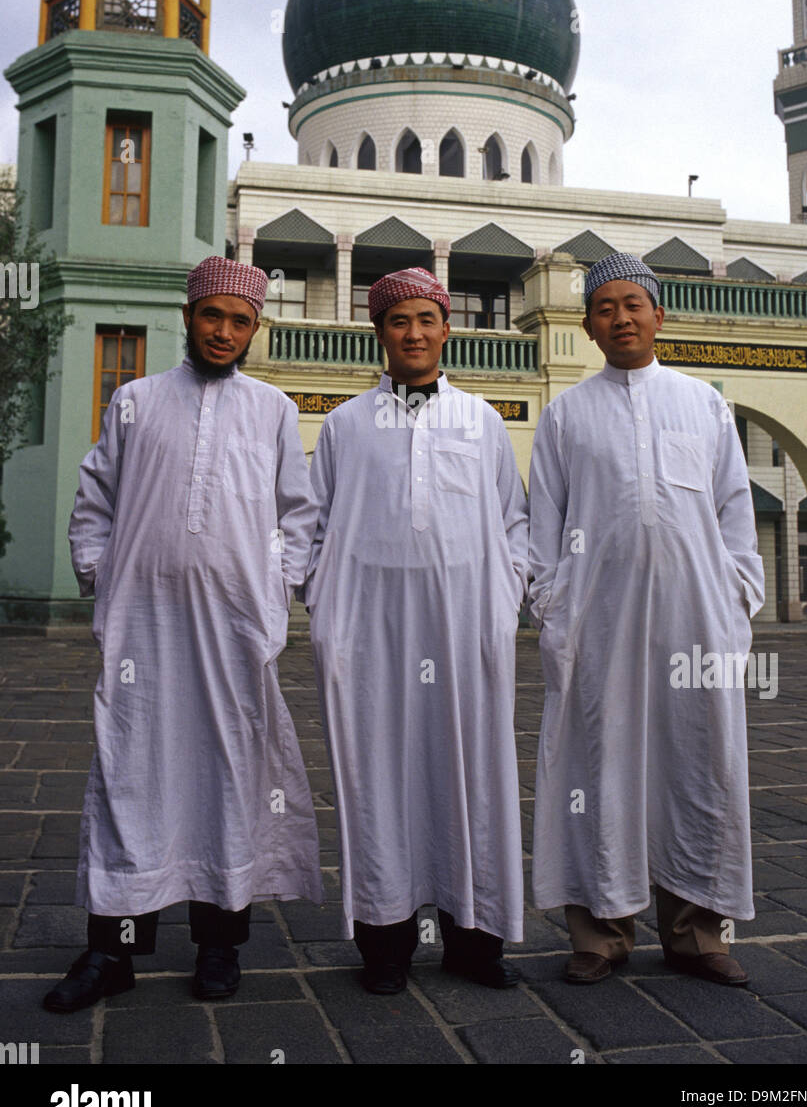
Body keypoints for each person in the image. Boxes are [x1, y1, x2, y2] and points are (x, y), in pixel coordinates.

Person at [45, 256, 323, 1013]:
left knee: (227, 779)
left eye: (240, 321)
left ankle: (219, 947)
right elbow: (94, 496)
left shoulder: (271, 408)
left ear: (254, 328)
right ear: (189, 315)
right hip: (144, 634)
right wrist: (104, 576)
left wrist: (272, 594)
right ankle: (115, 952)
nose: (225, 331)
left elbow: (297, 516)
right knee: (130, 777)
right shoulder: (135, 400)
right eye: (213, 316)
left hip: (233, 633)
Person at [528, 251, 764, 987]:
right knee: (600, 765)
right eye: (605, 308)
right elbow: (543, 528)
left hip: (696, 624)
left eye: (633, 304)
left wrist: (734, 599)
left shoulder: (704, 404)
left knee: (699, 766)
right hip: (599, 626)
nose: (621, 318)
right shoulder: (567, 413)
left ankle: (697, 934)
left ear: (659, 315)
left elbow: (733, 511)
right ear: (590, 326)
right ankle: (599, 934)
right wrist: (556, 608)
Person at [304, 266, 528, 994]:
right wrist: (326, 606)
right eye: (399, 321)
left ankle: (474, 939)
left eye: (427, 319)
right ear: (380, 332)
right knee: (379, 779)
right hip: (371, 636)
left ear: (446, 327)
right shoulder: (344, 425)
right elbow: (311, 527)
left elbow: (514, 524)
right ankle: (386, 943)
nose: (414, 333)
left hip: (466, 633)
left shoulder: (482, 421)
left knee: (474, 775)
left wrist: (502, 598)